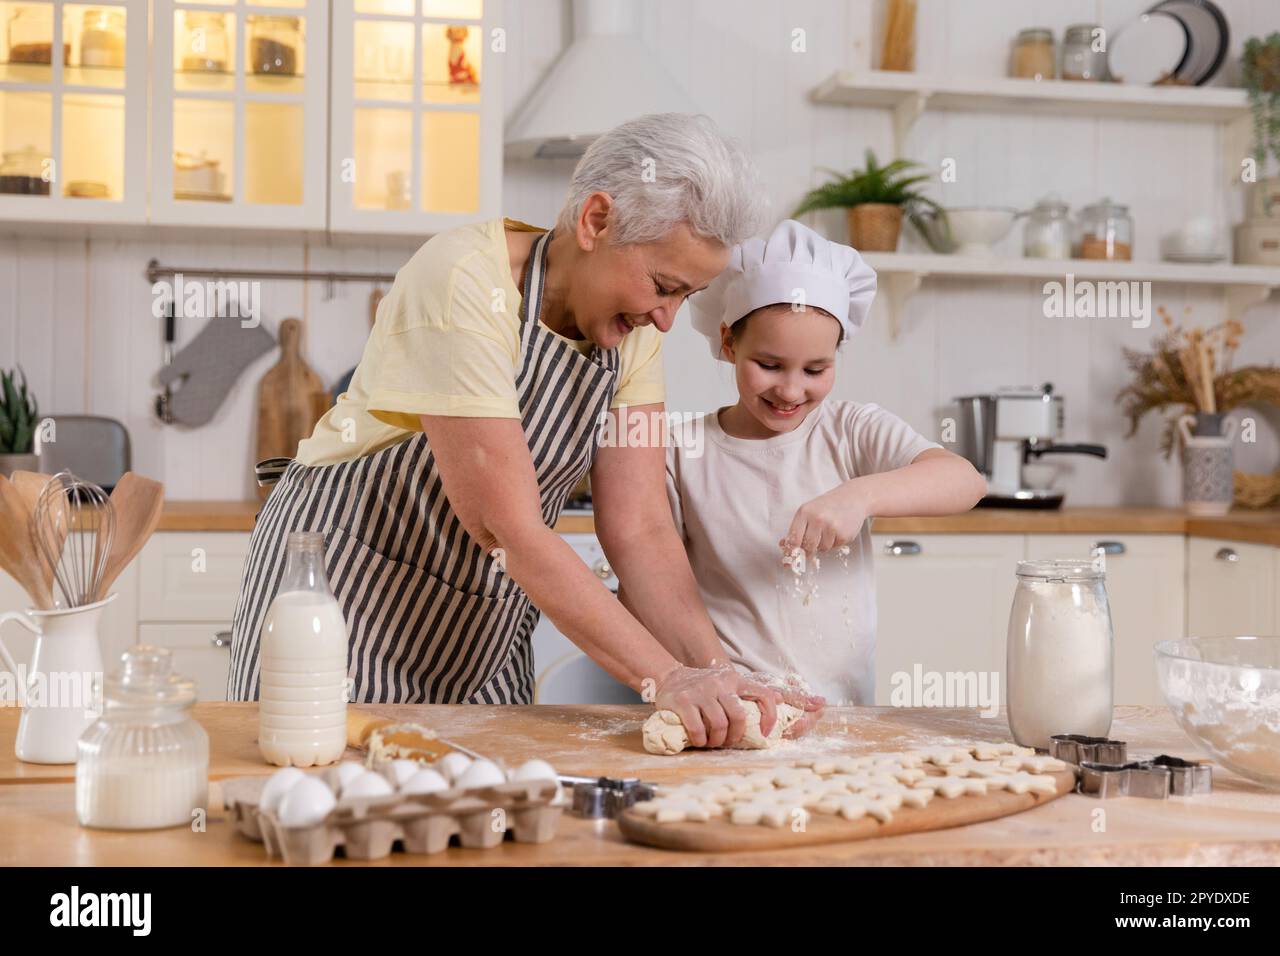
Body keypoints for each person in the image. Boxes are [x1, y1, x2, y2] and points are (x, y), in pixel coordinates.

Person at [227, 114, 823, 749]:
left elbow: (640, 527)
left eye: (687, 295)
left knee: (491, 820)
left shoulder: (634, 332)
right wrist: (668, 679)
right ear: (596, 221)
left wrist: (718, 677)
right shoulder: (464, 278)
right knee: (323, 799)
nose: (667, 318)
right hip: (348, 599)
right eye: (663, 286)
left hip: (482, 620)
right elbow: (502, 524)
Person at [661, 219, 987, 705]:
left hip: (843, 709)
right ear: (729, 343)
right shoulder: (680, 451)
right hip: (732, 703)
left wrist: (859, 495)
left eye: (816, 370)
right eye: (768, 365)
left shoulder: (851, 430)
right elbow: (659, 589)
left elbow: (966, 481)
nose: (791, 390)